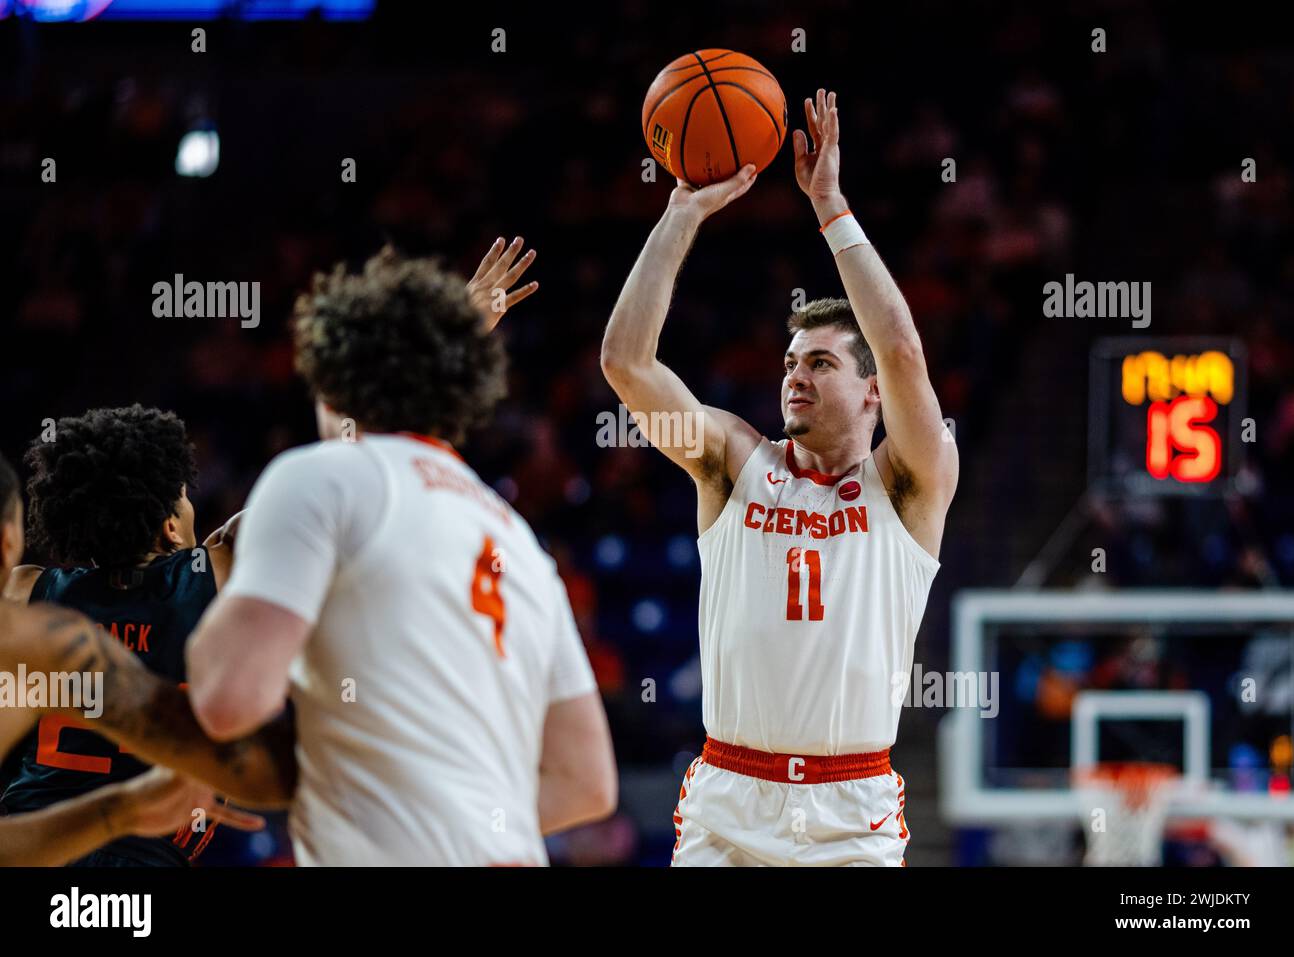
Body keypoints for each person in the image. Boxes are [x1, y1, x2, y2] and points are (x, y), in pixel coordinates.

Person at [600, 90, 958, 866]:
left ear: (870, 392)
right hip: (731, 794)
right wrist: (681, 216)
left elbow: (900, 350)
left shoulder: (908, 485)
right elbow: (625, 364)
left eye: (820, 362)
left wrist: (830, 209)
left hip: (851, 807)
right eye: (790, 362)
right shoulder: (733, 460)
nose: (794, 376)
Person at [185, 239, 618, 865]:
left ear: (329, 379)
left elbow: (229, 699)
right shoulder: (523, 543)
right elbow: (586, 783)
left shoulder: (319, 476)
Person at [0, 452, 293, 866]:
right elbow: (295, 506)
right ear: (171, 527)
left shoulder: (26, 590)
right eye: (185, 498)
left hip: (35, 842)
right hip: (144, 854)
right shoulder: (216, 572)